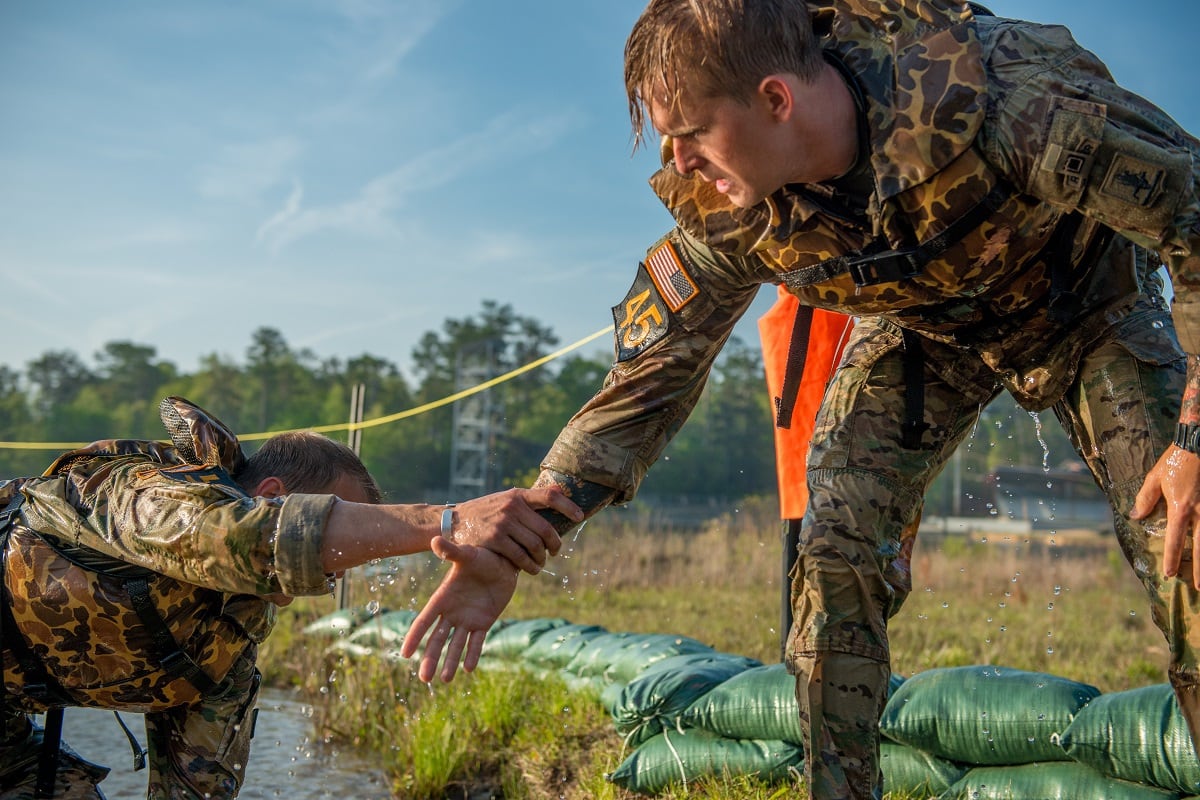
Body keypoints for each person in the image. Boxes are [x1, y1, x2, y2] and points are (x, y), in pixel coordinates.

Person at [405, 1, 1200, 797]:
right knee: (833, 556)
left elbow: (1193, 210)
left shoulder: (1012, 101)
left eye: (690, 134)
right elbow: (652, 373)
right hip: (922, 326)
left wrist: (1194, 437)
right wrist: (532, 525)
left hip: (1085, 303)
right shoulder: (730, 211)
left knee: (1188, 547)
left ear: (776, 101)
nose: (678, 163)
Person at [0, 395, 580, 799]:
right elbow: (234, 537)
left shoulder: (223, 654)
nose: (325, 581)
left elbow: (198, 788)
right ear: (274, 495)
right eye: (341, 545)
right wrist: (449, 520)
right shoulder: (136, 492)